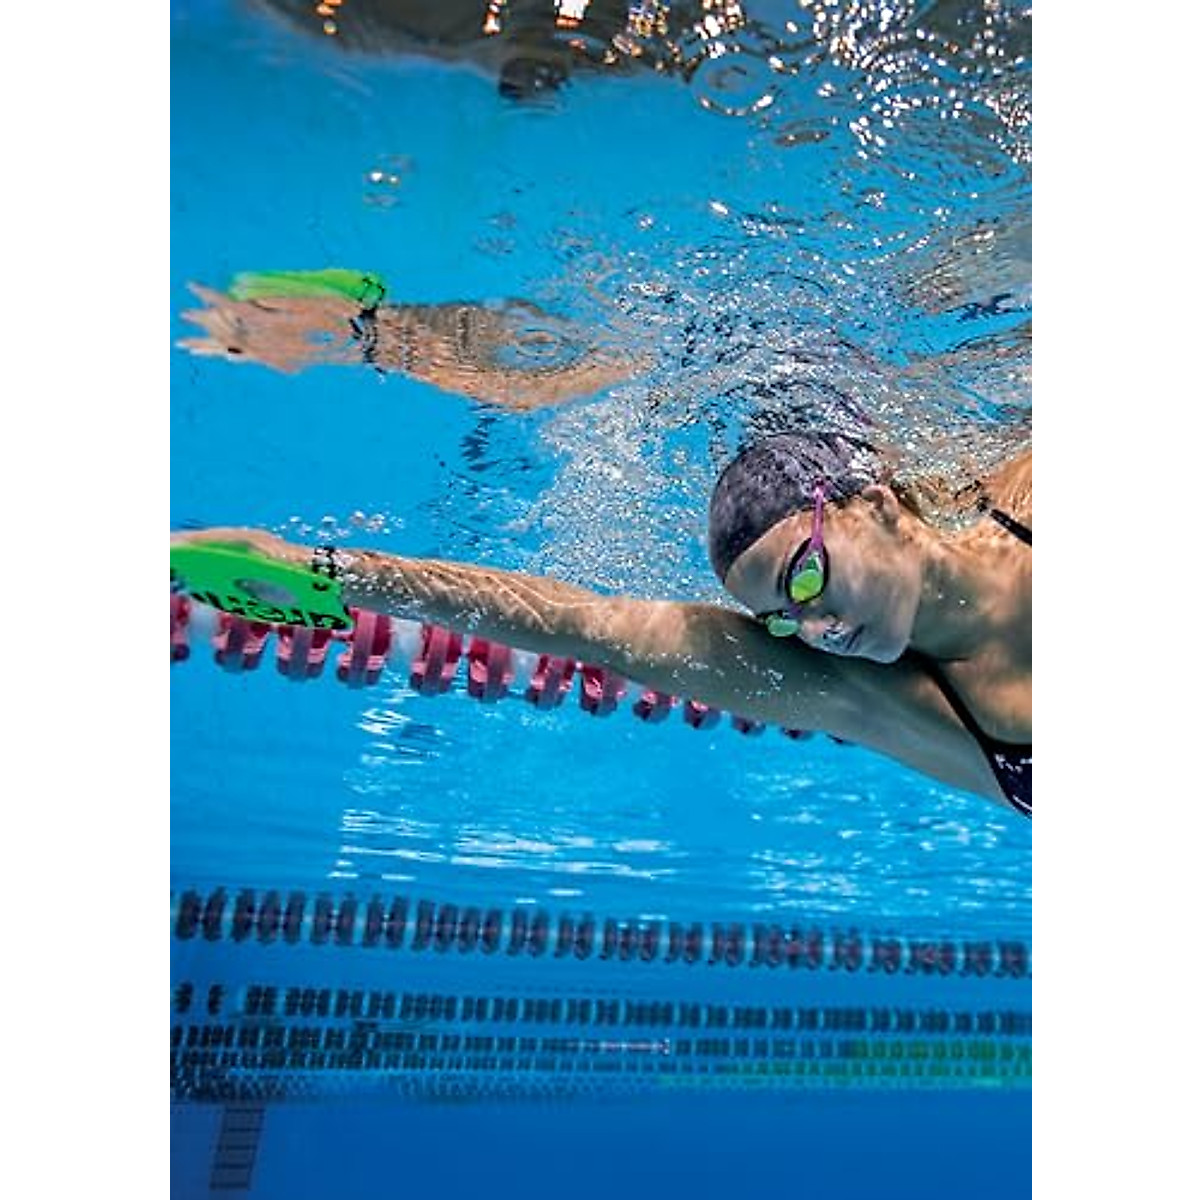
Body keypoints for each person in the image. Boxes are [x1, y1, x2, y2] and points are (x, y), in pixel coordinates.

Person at [171, 430, 1031, 816]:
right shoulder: (876, 701)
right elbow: (589, 624)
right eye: (780, 619)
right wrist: (328, 572)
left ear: (873, 505)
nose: (813, 627)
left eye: (805, 576)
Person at [177, 268, 648, 410]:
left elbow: (523, 394)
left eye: (241, 345)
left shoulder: (425, 351)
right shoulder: (415, 330)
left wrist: (639, 370)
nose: (278, 367)